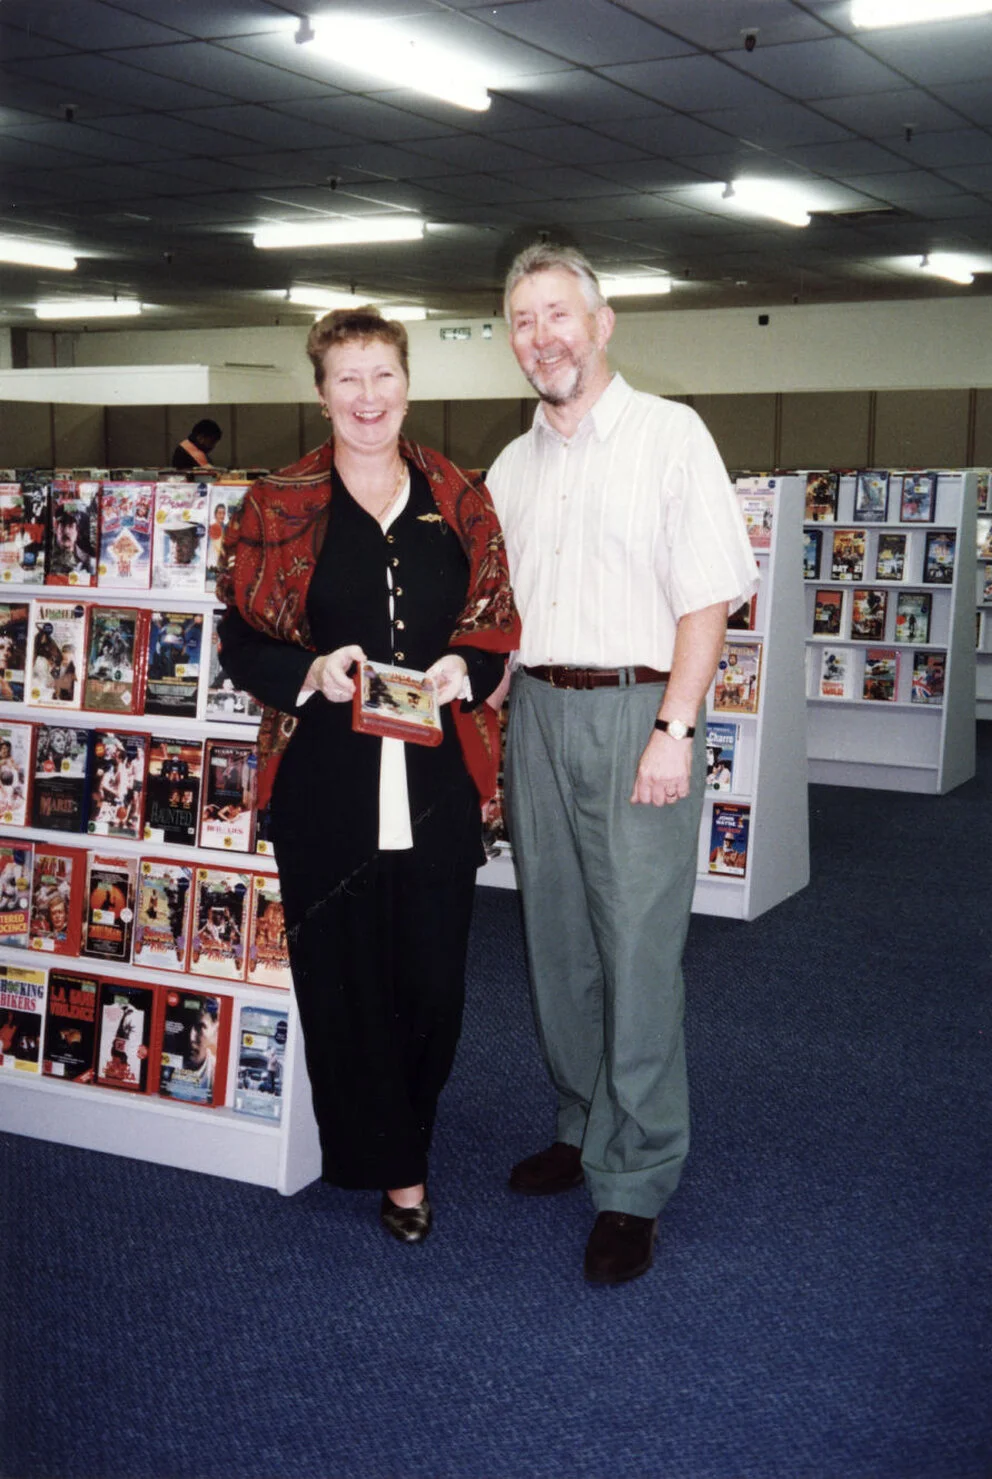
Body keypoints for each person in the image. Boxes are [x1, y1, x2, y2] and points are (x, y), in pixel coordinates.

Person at [216, 307, 518, 1245]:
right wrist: (309, 671)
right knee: (344, 979)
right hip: (326, 782)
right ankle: (396, 1168)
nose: (367, 397)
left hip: (435, 780)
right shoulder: (278, 502)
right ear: (320, 393)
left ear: (407, 384)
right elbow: (240, 636)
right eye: (347, 378)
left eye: (382, 375)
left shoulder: (460, 495)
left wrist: (467, 664)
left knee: (431, 983)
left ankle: (406, 1130)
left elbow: (497, 614)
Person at [487, 242, 758, 1285]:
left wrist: (676, 727)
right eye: (522, 320)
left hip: (641, 707)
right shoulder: (514, 466)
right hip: (540, 715)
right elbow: (503, 622)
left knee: (638, 945)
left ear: (602, 326)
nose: (543, 336)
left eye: (560, 314)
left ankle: (636, 1177)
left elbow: (707, 597)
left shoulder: (667, 435)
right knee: (556, 939)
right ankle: (581, 1119)